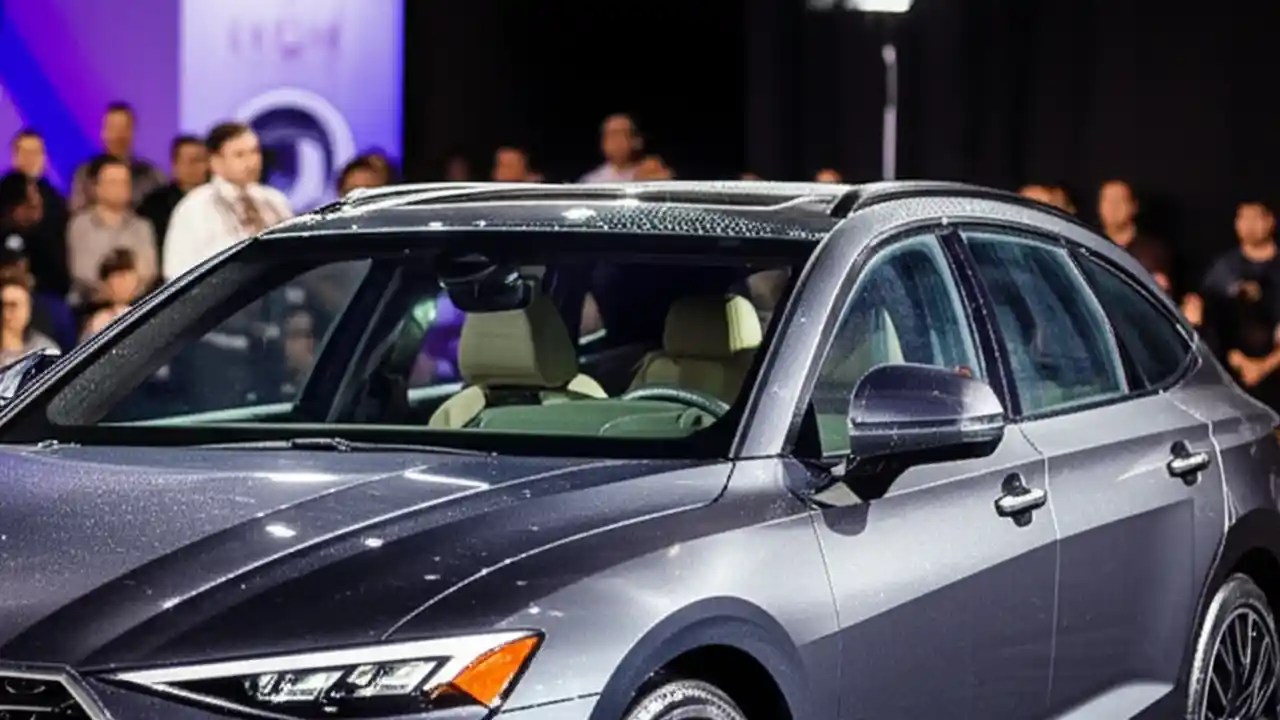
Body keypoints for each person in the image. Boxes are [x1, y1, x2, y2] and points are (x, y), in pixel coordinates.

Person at [163, 122, 292, 280]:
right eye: (239, 154)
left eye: (255, 152)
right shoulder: (194, 207)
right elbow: (176, 270)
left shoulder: (275, 200)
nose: (252, 161)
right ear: (216, 162)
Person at [1183, 202, 1280, 409]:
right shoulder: (1224, 267)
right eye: (1242, 218)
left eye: (1255, 218)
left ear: (1270, 221)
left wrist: (1263, 367)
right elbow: (1204, 315)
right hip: (1231, 372)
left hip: (1271, 367)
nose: (1248, 225)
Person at [66, 155, 159, 305]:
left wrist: (127, 294)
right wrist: (112, 294)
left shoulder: (143, 226)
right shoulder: (80, 225)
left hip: (136, 304)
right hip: (90, 305)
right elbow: (82, 272)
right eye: (113, 182)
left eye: (124, 183)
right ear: (96, 187)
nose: (120, 188)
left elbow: (149, 271)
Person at [68, 102, 166, 211]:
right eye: (113, 128)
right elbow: (77, 212)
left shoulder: (151, 176)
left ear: (132, 132)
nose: (118, 135)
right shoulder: (85, 173)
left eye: (124, 128)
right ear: (103, 132)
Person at [1097, 179, 1173, 293]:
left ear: (1133, 206)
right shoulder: (1089, 244)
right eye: (1107, 200)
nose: (1113, 207)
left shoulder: (1153, 252)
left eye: (1119, 200)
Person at [138, 135, 208, 257]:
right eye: (189, 161)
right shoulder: (154, 204)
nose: (195, 167)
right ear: (175, 165)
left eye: (199, 160)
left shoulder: (218, 200)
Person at [81, 248, 142, 339]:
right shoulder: (100, 322)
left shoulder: (147, 309)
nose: (123, 283)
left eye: (125, 276)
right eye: (118, 278)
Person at [0, 276, 57, 365]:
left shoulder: (45, 351)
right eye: (2, 306)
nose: (5, 314)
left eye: (13, 306)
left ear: (28, 310)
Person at [580, 114, 641, 183]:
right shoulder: (591, 181)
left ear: (635, 140)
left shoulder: (649, 174)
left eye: (621, 134)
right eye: (610, 135)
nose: (616, 141)